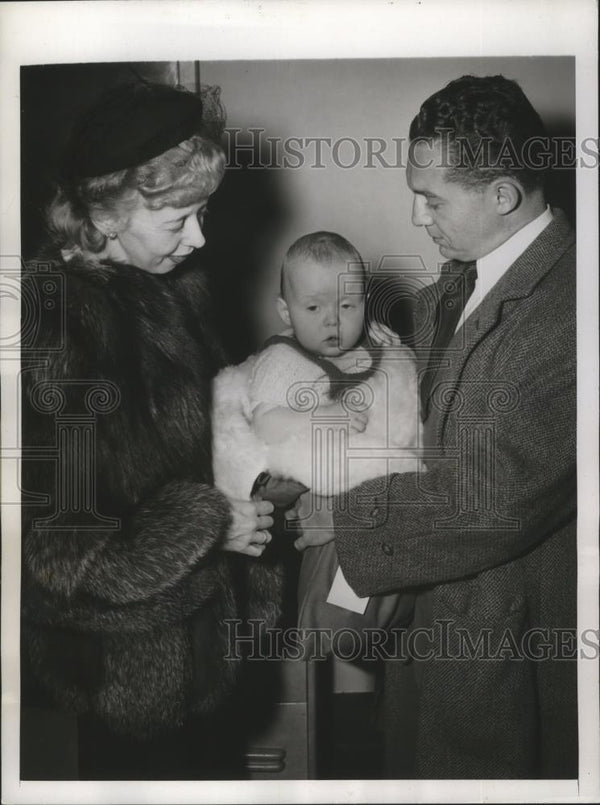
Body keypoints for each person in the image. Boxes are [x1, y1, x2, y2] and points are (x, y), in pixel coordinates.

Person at [291, 75, 577, 778]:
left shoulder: (572, 311)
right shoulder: (458, 282)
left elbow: (495, 497)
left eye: (433, 198)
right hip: (432, 630)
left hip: (502, 650)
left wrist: (344, 510)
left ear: (503, 195)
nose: (419, 216)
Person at [20, 81, 281, 779]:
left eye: (203, 213)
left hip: (196, 658)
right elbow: (61, 555)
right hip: (126, 682)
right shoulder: (59, 328)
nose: (200, 238)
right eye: (180, 219)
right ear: (104, 216)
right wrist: (208, 525)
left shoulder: (166, 288)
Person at [211, 231, 423, 503]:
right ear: (286, 312)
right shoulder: (282, 361)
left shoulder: (372, 337)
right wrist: (325, 417)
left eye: (347, 305)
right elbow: (265, 425)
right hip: (310, 485)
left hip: (380, 481)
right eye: (313, 308)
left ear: (365, 304)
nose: (332, 320)